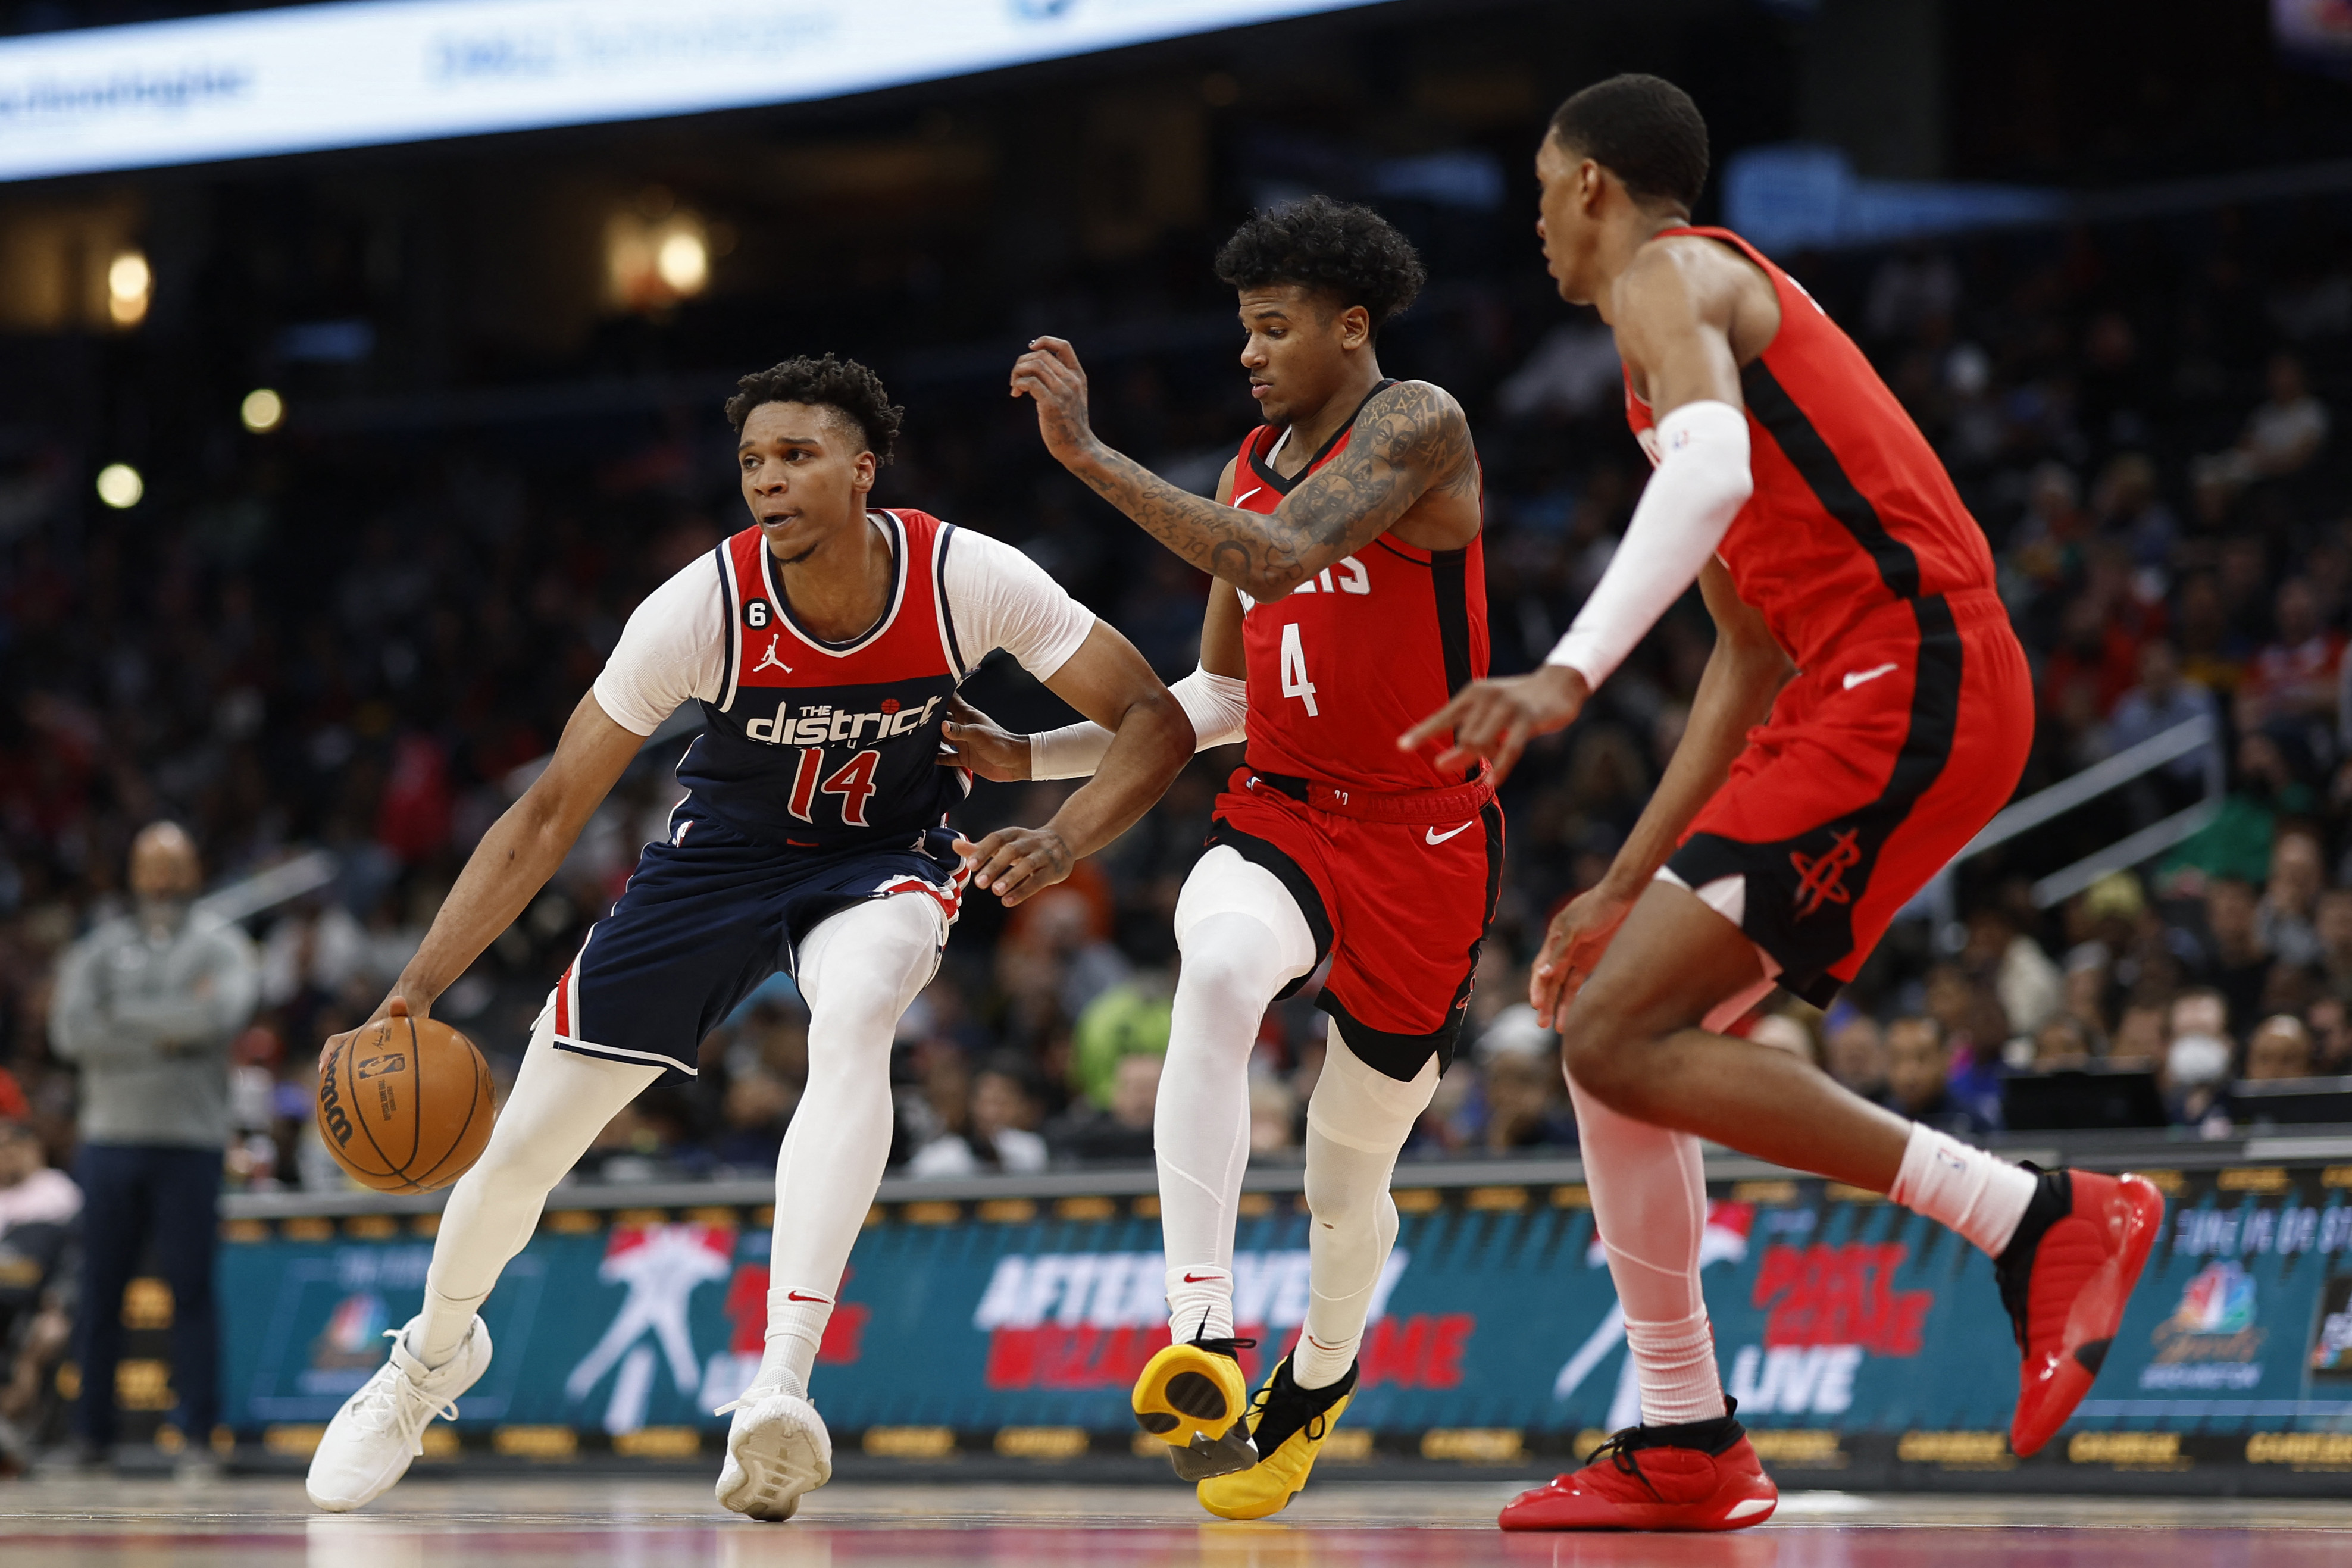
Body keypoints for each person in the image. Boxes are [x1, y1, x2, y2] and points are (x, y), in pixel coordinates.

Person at [1405, 74, 2165, 1532]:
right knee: (1599, 1027)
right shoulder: (1666, 352)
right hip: (1842, 686)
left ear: (1588, 188)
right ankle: (1684, 1433)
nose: (1536, 233)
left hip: (1913, 670)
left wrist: (1563, 674)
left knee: (1625, 1032)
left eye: (1539, 192)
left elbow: (1710, 472)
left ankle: (2032, 1215)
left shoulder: (1670, 277)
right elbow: (1743, 653)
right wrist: (1625, 880)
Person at [302, 355, 1190, 1519]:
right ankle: (427, 1362)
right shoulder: (700, 606)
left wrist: (1056, 826)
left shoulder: (962, 577)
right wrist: (414, 988)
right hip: (711, 868)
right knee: (521, 1151)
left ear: (864, 471)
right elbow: (549, 811)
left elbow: (1154, 719)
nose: (766, 480)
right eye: (751, 462)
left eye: (797, 454)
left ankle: (779, 1389)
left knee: (862, 1010)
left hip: (882, 861)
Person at [957, 195, 1493, 1519]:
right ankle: (1201, 1331)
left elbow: (1282, 551)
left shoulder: (1416, 424)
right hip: (1286, 811)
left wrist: (1082, 454)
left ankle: (1314, 1379)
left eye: (1272, 327)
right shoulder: (1241, 466)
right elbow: (1214, 704)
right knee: (1213, 964)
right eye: (1240, 329)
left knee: (1342, 1173)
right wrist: (1033, 766)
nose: (1247, 353)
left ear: (1349, 326)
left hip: (1423, 839)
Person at [48, 821, 259, 1471]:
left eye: (174, 865)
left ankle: (198, 1435)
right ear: (134, 873)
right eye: (151, 865)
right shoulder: (101, 946)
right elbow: (68, 1033)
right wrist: (174, 1026)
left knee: (191, 1292)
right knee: (98, 1292)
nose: (162, 878)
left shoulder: (222, 942)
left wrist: (122, 1017)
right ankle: (91, 1436)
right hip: (108, 1138)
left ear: (194, 870)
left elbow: (222, 1015)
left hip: (190, 1142)